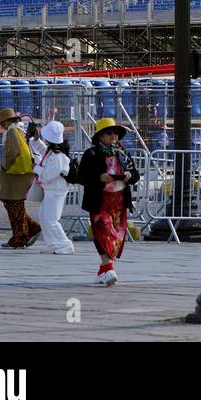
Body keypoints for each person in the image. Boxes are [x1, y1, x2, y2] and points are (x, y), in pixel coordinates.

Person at [78, 118, 140, 285]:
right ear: (100, 136)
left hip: (119, 201)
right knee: (104, 231)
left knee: (118, 234)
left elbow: (135, 174)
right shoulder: (91, 154)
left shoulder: (123, 153)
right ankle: (109, 267)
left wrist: (129, 176)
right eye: (109, 133)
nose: (113, 136)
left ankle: (103, 270)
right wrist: (99, 178)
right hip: (100, 200)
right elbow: (81, 176)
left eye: (116, 133)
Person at [0, 107, 42, 249]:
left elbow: (13, 152)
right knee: (14, 205)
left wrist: (4, 166)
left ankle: (20, 237)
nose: (0, 125)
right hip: (21, 173)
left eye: (1, 122)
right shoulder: (20, 131)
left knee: (14, 206)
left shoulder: (12, 132)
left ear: (6, 121)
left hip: (15, 174)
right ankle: (31, 229)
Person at [33, 121, 75, 255]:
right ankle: (52, 243)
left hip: (56, 190)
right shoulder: (52, 153)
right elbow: (41, 149)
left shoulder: (58, 157)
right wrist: (35, 140)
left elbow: (46, 176)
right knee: (43, 216)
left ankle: (65, 244)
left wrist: (35, 168)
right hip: (51, 190)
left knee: (51, 219)